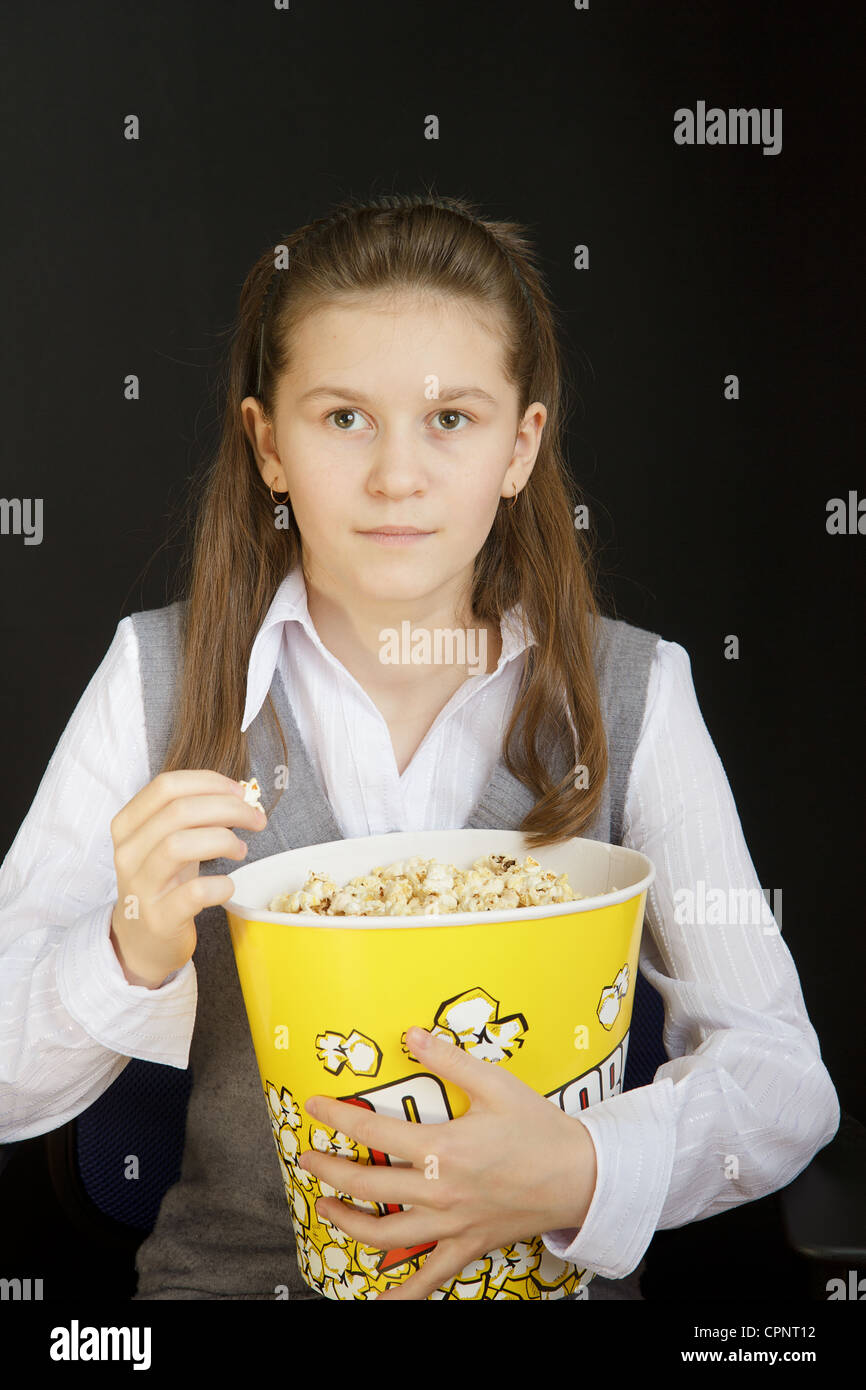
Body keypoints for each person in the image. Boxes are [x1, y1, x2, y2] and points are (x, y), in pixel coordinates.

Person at [0, 192, 840, 1302]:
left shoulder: (635, 690)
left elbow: (783, 1081)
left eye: (451, 419)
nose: (397, 475)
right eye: (343, 417)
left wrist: (582, 1166)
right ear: (269, 446)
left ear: (518, 446)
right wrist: (127, 948)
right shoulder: (157, 678)